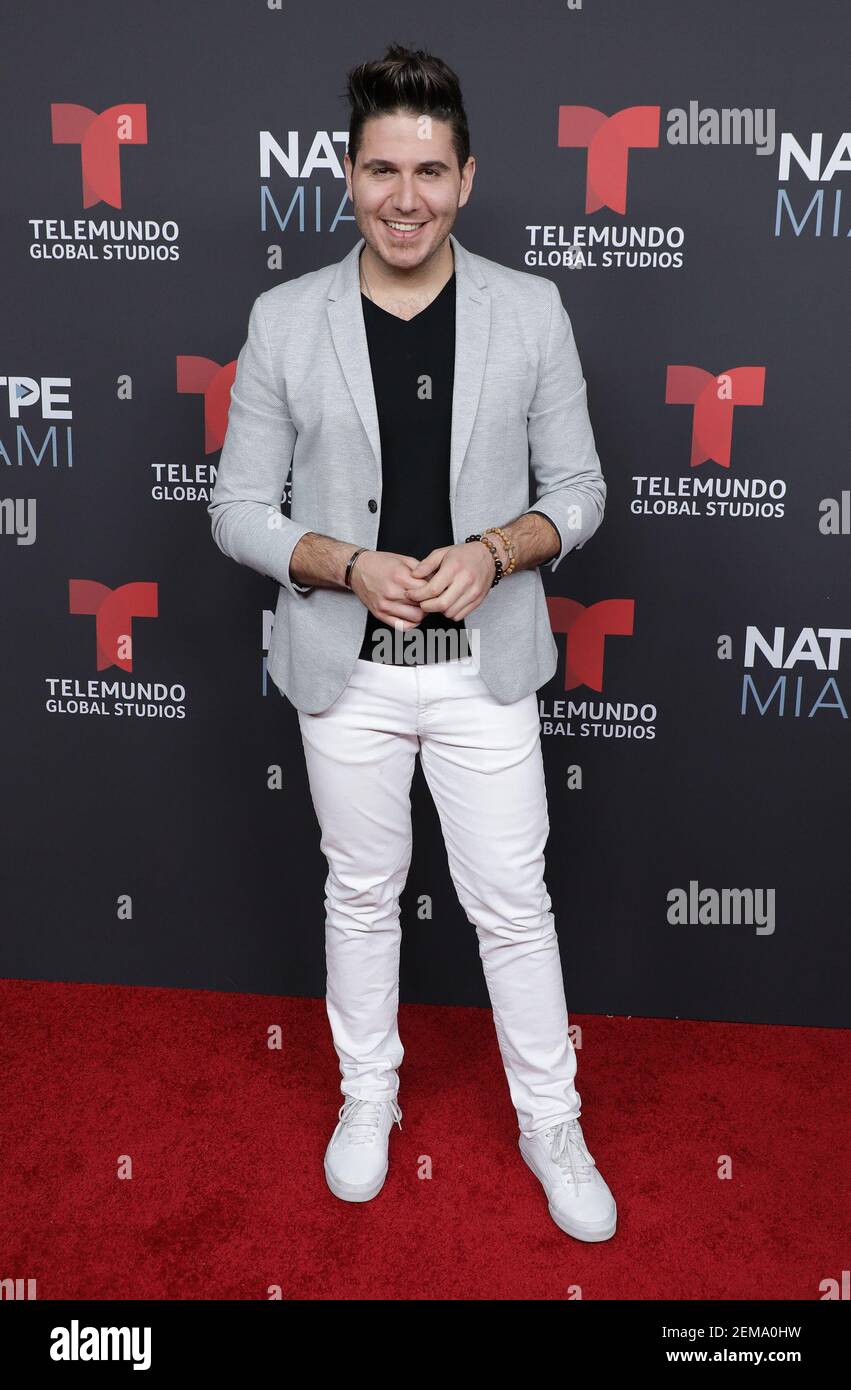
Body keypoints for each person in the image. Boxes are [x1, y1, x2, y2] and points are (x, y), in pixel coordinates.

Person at [208, 43, 615, 1242]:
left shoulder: (530, 309)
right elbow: (236, 510)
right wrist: (341, 562)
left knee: (510, 905)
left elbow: (582, 490)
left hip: (485, 674)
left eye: (428, 170)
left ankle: (550, 1123)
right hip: (348, 675)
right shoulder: (283, 321)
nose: (404, 195)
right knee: (361, 892)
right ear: (343, 175)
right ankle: (367, 1098)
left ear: (467, 179)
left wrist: (497, 547)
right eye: (382, 168)